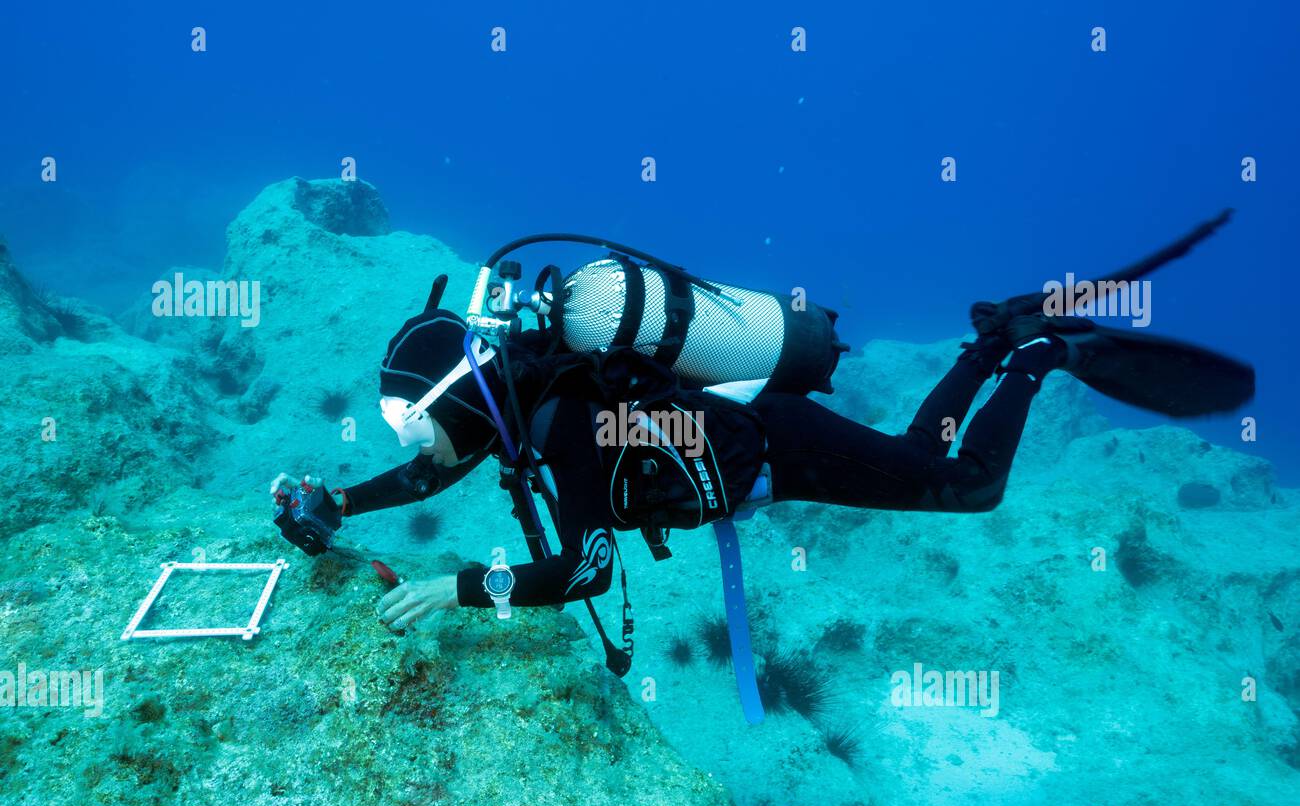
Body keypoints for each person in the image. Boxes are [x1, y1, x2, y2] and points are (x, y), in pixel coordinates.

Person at [271, 259, 1252, 636]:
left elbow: (583, 569)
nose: (428, 448)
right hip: (764, 441)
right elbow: (428, 469)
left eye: (425, 423)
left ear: (465, 394)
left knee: (964, 487)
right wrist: (340, 508)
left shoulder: (558, 422)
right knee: (920, 454)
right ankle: (989, 338)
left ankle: (1037, 357)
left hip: (775, 449)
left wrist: (457, 587)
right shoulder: (515, 401)